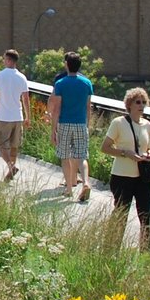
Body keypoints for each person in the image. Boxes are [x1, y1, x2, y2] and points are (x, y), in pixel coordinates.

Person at [101, 86, 150, 251]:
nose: (141, 105)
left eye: (143, 102)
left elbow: (149, 146)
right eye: (137, 102)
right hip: (122, 176)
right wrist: (125, 153)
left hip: (142, 176)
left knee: (146, 215)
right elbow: (105, 147)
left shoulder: (147, 125)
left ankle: (147, 253)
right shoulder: (118, 123)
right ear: (129, 104)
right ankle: (111, 248)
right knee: (121, 213)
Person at [46, 52, 96, 204]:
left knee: (65, 156)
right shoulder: (87, 83)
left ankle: (68, 188)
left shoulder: (61, 83)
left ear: (67, 64)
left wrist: (53, 130)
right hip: (81, 122)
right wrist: (88, 124)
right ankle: (86, 181)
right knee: (81, 156)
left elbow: (57, 108)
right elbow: (88, 107)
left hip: (65, 123)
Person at [0, 48, 31, 181]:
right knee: (14, 145)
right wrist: (28, 116)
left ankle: (11, 166)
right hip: (18, 116)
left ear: (9, 60)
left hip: (4, 116)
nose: (4, 61)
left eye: (5, 59)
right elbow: (26, 99)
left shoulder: (0, 76)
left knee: (0, 144)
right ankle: (11, 168)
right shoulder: (22, 77)